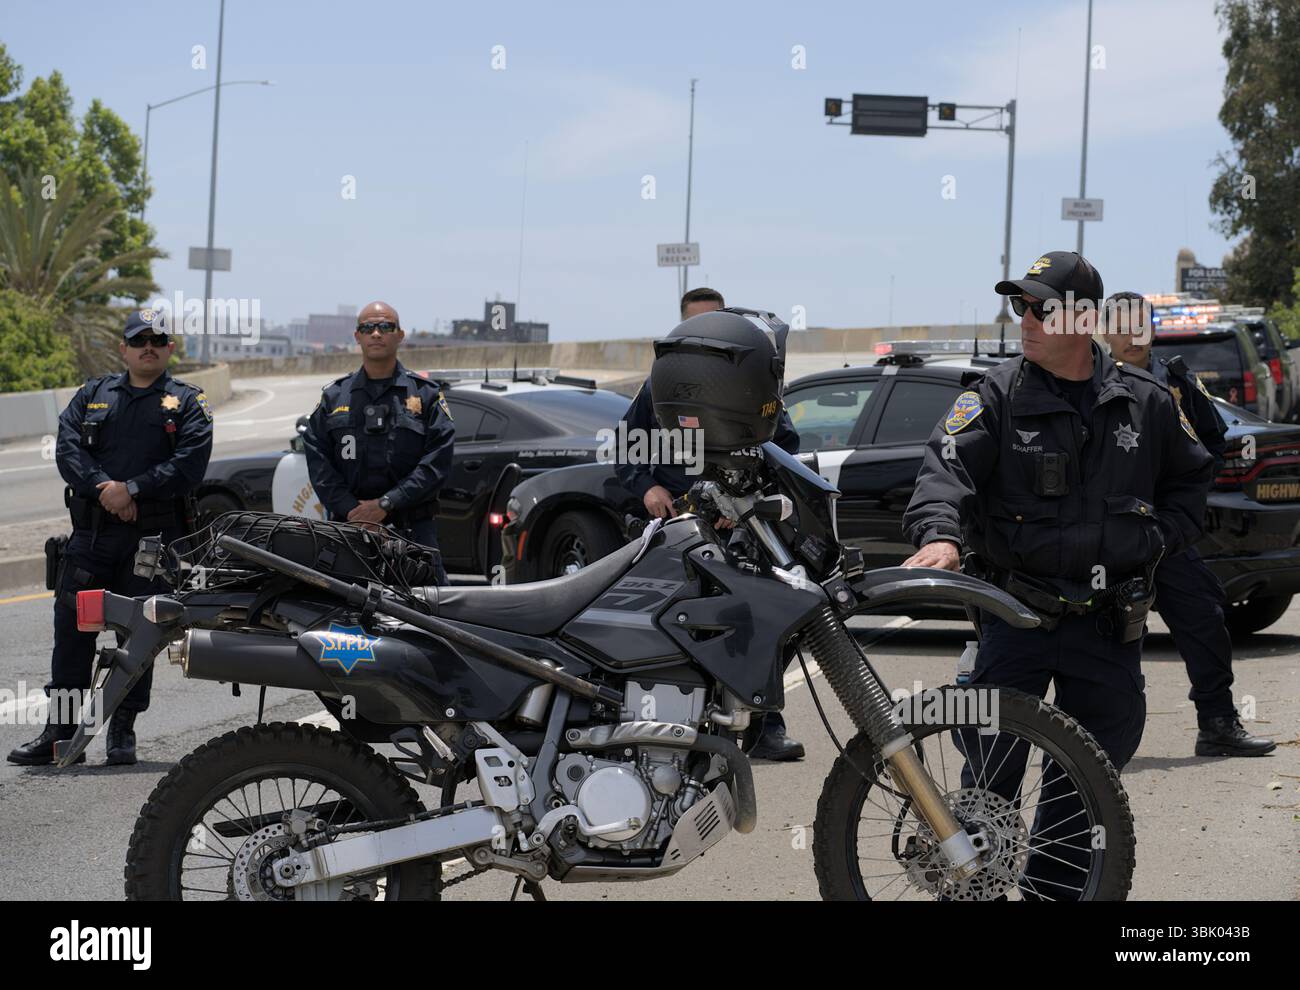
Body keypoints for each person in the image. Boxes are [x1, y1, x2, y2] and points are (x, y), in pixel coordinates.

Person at [902, 251, 1213, 899]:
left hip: (1106, 627)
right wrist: (939, 539)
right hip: (1017, 618)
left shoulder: (1146, 402)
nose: (1026, 319)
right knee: (988, 782)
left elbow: (1192, 478)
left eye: (1042, 307)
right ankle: (977, 886)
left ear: (1085, 318)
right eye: (1020, 306)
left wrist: (1157, 538)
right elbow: (944, 471)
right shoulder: (997, 394)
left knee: (1083, 791)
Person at [8, 309, 214, 767]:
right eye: (139, 339)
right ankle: (59, 732)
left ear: (170, 349)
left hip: (152, 540)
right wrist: (107, 490)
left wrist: (133, 489)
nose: (148, 346)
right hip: (93, 536)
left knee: (137, 633)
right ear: (123, 348)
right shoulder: (93, 394)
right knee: (71, 631)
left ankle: (122, 730)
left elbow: (190, 464)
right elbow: (67, 449)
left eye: (158, 340)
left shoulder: (188, 402)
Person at [616, 289, 806, 761]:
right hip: (674, 527)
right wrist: (646, 488)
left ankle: (763, 727)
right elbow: (625, 446)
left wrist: (743, 499)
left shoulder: (751, 385)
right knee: (672, 632)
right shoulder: (658, 388)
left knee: (754, 626)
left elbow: (782, 451)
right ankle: (681, 735)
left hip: (734, 528)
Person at [1102, 291, 1274, 756]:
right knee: (1099, 637)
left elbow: (1213, 446)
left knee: (1204, 618)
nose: (1132, 334)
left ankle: (1217, 723)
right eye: (1121, 324)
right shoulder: (1086, 381)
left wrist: (1181, 504)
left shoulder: (1175, 379)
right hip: (1103, 539)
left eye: (1141, 323)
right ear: (1105, 331)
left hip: (1164, 535)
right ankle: (1089, 739)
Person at [302, 301, 454, 585]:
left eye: (385, 326)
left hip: (413, 535)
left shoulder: (427, 396)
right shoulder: (334, 397)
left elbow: (437, 463)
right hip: (348, 532)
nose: (376, 333)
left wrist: (386, 504)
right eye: (368, 327)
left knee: (431, 619)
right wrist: (354, 511)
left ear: (400, 335)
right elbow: (318, 461)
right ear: (357, 336)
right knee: (341, 620)